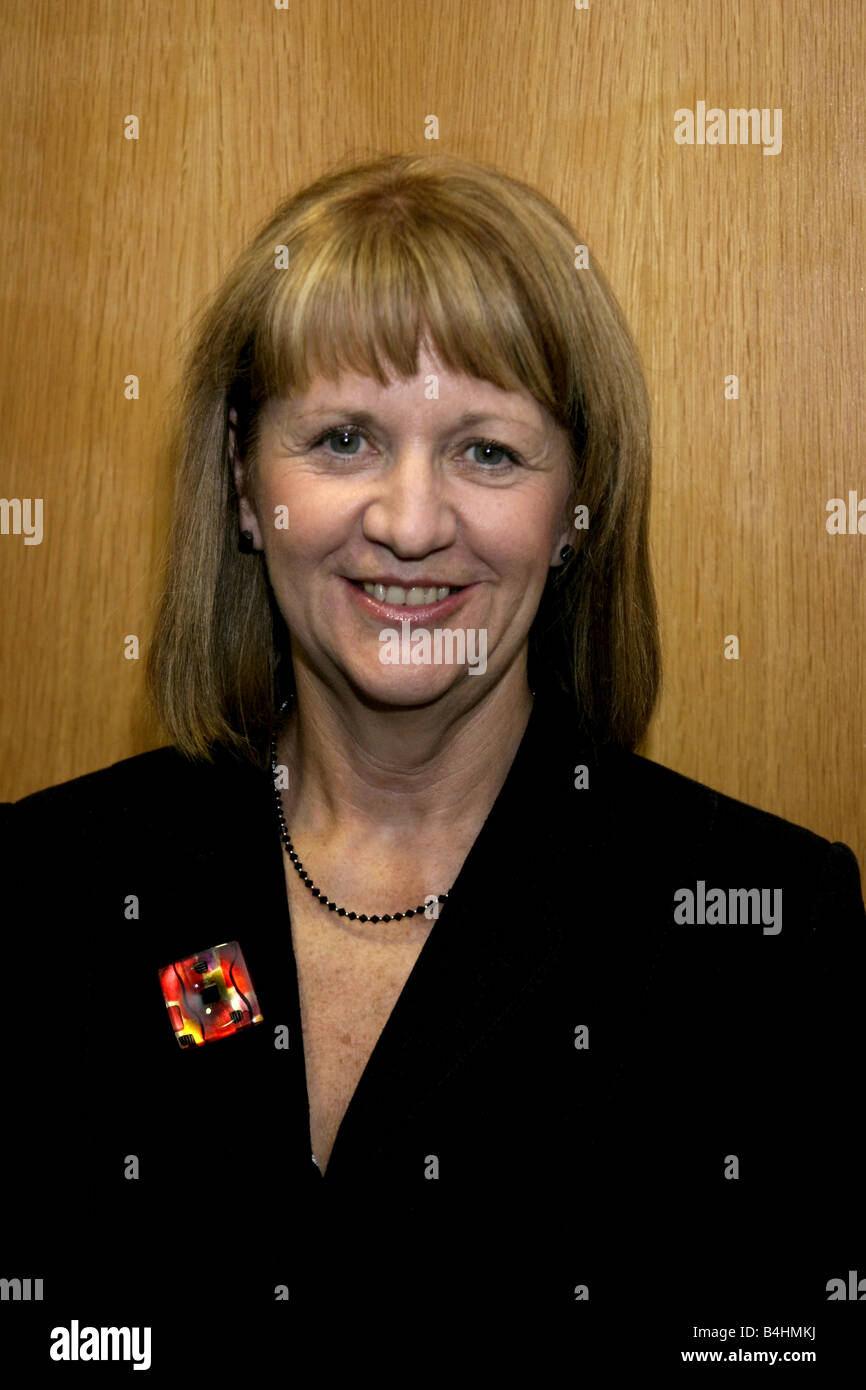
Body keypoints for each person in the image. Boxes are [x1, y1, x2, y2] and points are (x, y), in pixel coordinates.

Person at [3, 152, 864, 1371]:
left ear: (578, 506)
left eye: (487, 453)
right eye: (344, 438)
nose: (409, 525)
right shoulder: (43, 892)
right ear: (247, 485)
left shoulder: (763, 930)